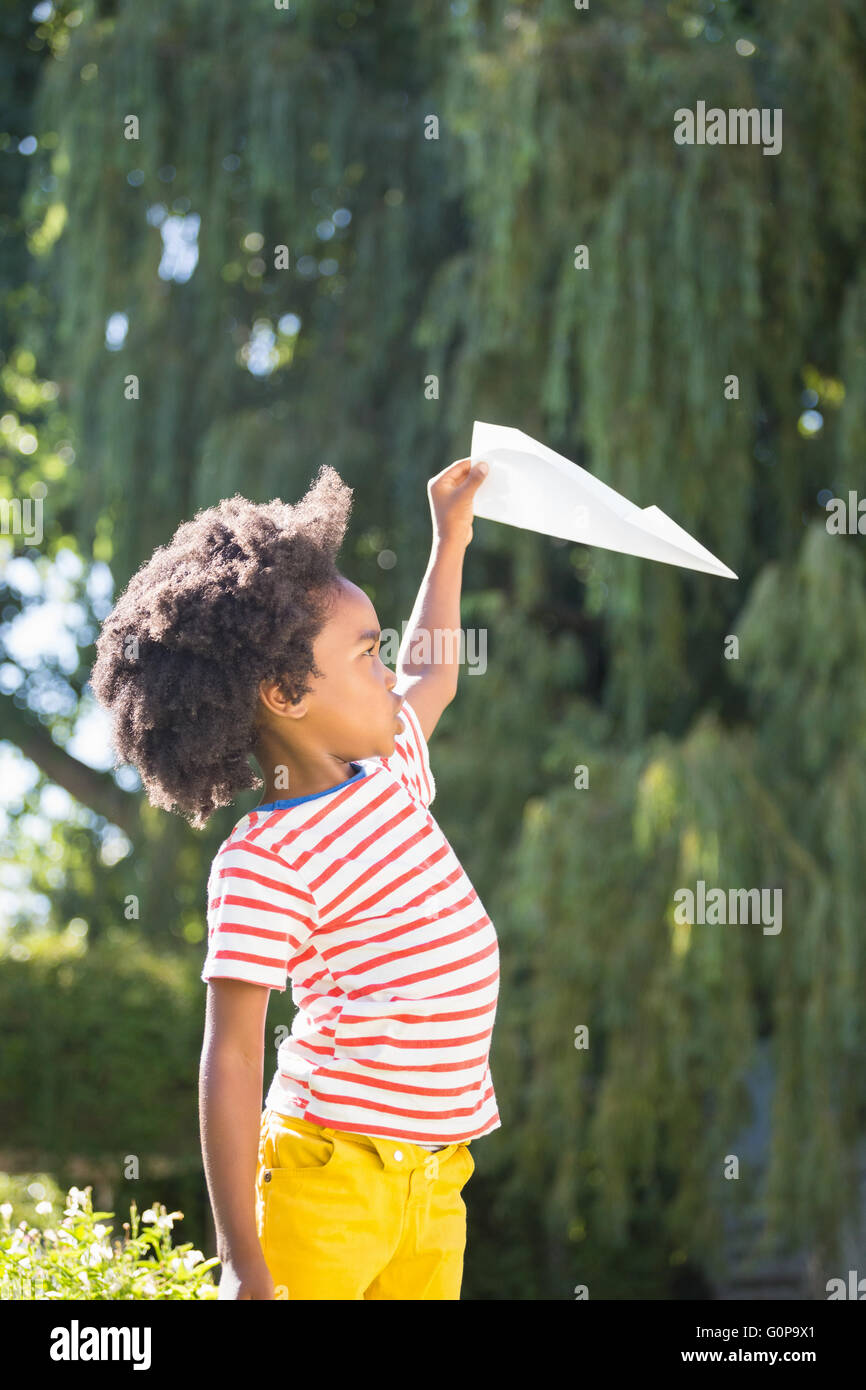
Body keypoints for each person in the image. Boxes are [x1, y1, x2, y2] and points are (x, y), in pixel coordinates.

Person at [90, 456, 500, 1299]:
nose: (389, 674)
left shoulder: (389, 772)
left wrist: (449, 538)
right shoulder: (265, 859)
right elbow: (233, 1059)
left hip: (434, 1177)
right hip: (328, 1179)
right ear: (285, 692)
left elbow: (437, 673)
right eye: (365, 656)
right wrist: (244, 1260)